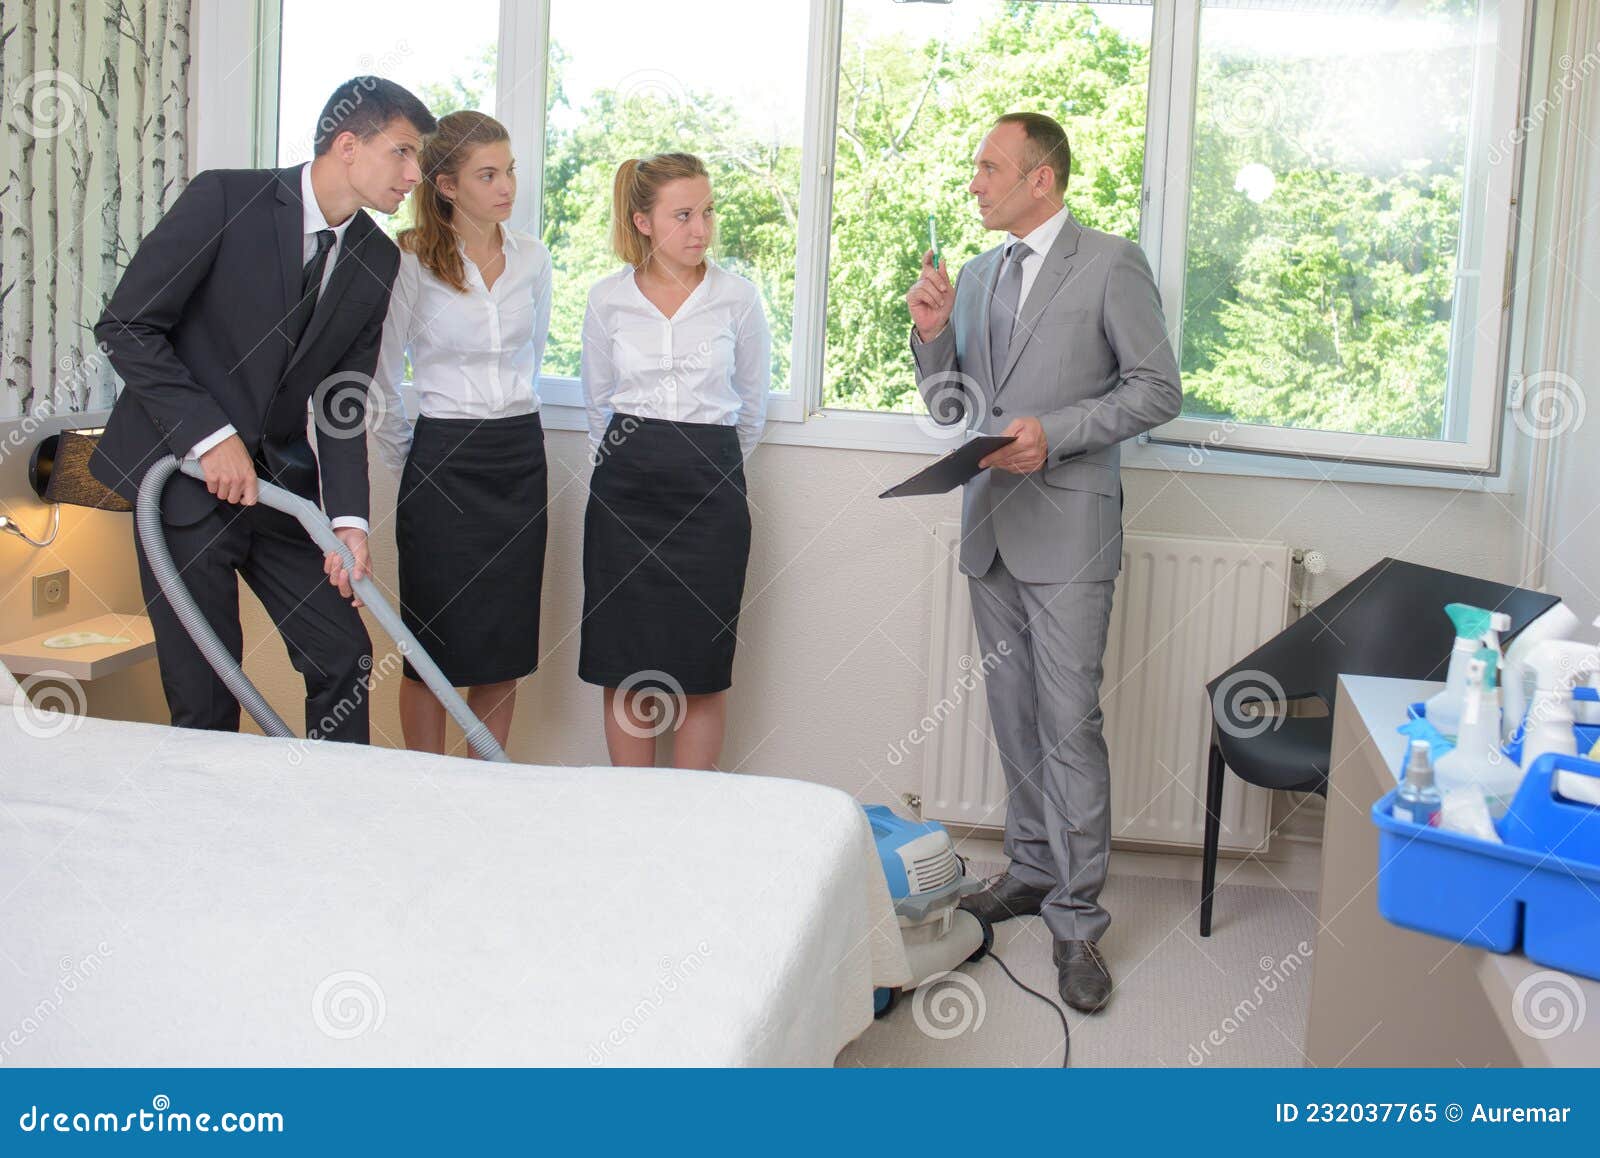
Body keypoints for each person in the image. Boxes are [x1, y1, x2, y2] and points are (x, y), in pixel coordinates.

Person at [905, 112, 1182, 1013]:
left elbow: (1158, 389)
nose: (975, 183)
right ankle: (1029, 869)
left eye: (990, 168)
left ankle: (1078, 921)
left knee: (1069, 727)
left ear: (1042, 179)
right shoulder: (978, 274)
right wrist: (933, 335)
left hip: (1069, 533)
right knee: (1015, 717)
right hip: (991, 526)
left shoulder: (1112, 263)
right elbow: (954, 407)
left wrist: (1054, 434)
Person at [92, 77, 437, 743]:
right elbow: (127, 326)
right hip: (180, 481)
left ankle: (328, 805)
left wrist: (349, 522)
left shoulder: (376, 258)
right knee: (208, 693)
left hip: (279, 490)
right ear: (347, 145)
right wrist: (207, 434)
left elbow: (341, 399)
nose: (413, 175)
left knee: (344, 656)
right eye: (402, 152)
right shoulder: (226, 199)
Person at [370, 110, 553, 756]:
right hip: (442, 461)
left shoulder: (533, 258)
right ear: (446, 185)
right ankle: (425, 788)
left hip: (519, 459)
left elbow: (532, 358)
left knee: (502, 644)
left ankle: (486, 787)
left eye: (510, 171)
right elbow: (381, 377)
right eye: (488, 174)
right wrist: (417, 462)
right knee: (431, 649)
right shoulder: (409, 260)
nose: (507, 187)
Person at [579, 152, 770, 770]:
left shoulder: (738, 299)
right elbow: (597, 407)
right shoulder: (607, 300)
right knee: (625, 661)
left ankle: (693, 815)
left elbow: (751, 410)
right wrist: (634, 464)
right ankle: (632, 812)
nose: (701, 229)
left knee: (701, 667)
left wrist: (706, 466)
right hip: (624, 498)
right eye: (683, 215)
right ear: (643, 222)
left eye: (707, 212)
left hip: (711, 495)